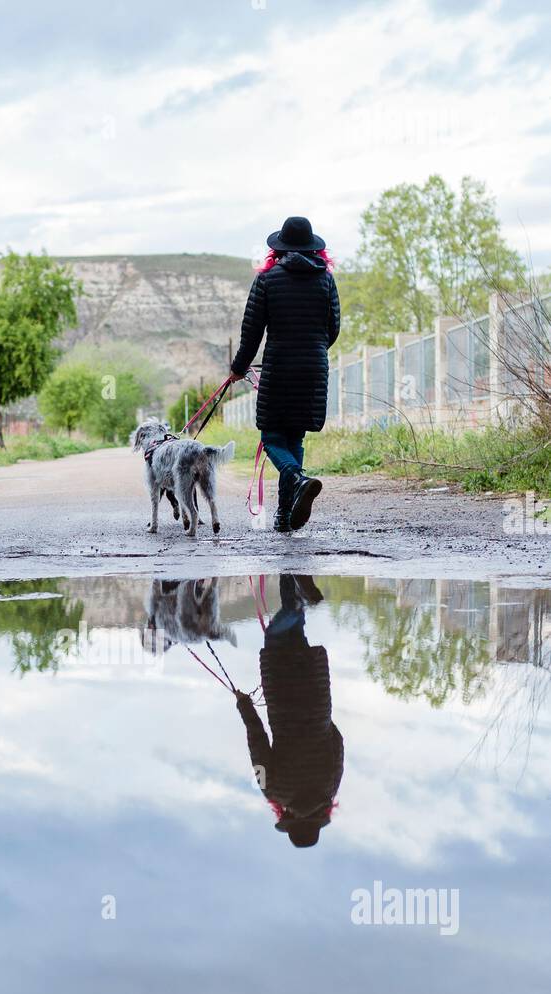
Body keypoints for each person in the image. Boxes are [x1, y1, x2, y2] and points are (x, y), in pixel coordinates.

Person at [230, 216, 341, 533]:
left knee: (271, 437)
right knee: (294, 436)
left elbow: (251, 332)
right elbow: (332, 329)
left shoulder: (267, 280)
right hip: (313, 367)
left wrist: (239, 368)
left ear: (278, 249)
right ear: (313, 248)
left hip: (279, 365)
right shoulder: (326, 280)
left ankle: (296, 479)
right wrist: (313, 347)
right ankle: (285, 515)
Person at [235, 574, 343, 848]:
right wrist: (244, 706)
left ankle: (290, 570)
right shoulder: (273, 790)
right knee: (276, 634)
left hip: (316, 697)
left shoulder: (330, 786)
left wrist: (322, 720)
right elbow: (256, 745)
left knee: (296, 634)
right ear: (290, 819)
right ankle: (297, 601)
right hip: (282, 694)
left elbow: (338, 743)